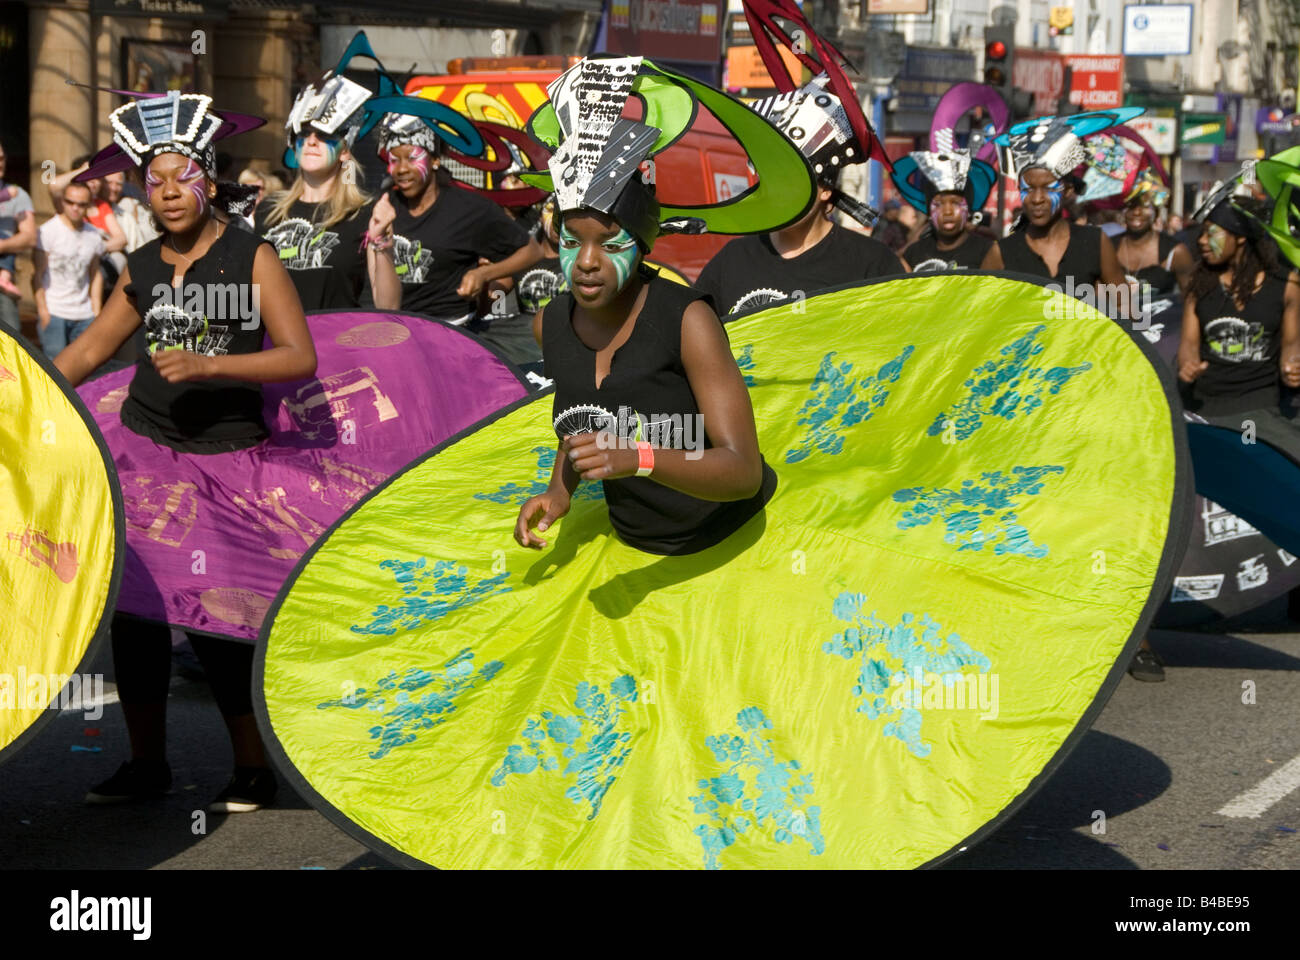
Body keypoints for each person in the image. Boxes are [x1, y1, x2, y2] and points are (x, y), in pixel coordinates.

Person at [53, 91, 315, 810]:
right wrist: (28, 394)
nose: (170, 194)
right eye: (155, 181)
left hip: (229, 462)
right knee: (135, 615)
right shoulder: (141, 264)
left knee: (220, 622)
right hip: (144, 450)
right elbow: (90, 349)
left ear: (208, 176)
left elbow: (298, 357)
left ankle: (253, 768)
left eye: (182, 177)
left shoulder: (250, 254)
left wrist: (210, 366)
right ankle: (147, 764)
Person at [514, 59, 784, 557]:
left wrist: (638, 457)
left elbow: (743, 471)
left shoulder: (687, 321)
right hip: (632, 549)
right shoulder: (548, 324)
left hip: (729, 546)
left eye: (611, 242)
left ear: (642, 244)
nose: (588, 262)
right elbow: (580, 416)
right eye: (573, 240)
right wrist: (559, 490)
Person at [696, 73, 904, 317]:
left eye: (793, 181)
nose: (780, 192)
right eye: (772, 179)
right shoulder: (732, 261)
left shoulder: (872, 264)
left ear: (826, 190)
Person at [367, 110, 540, 324]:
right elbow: (380, 299)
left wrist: (484, 275)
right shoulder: (383, 208)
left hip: (454, 333)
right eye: (394, 160)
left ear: (435, 160)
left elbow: (532, 251)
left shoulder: (469, 209)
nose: (402, 169)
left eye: (412, 158)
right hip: (398, 331)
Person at [255, 64, 394, 311]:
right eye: (304, 133)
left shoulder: (364, 215)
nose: (311, 141)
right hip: (275, 346)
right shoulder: (268, 210)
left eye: (324, 135)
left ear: (344, 151)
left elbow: (389, 304)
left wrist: (382, 241)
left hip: (335, 345)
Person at [980, 115, 1128, 293]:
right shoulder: (1002, 253)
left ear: (1067, 191)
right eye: (1028, 189)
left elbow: (1125, 309)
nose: (1037, 199)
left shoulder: (1095, 243)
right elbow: (982, 313)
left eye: (1049, 189)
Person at [32, 180, 104, 356]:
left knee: (85, 372)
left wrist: (96, 312)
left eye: (81, 204)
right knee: (55, 371)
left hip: (84, 314)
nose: (75, 208)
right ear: (62, 201)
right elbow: (37, 276)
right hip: (54, 312)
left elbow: (95, 275)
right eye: (70, 202)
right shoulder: (48, 231)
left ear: (89, 205)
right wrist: (43, 312)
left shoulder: (94, 235)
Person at [892, 150, 996, 271]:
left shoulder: (987, 252)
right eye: (939, 204)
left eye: (956, 203)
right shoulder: (914, 254)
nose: (947, 212)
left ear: (968, 209)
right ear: (929, 211)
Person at [0, 139, 36, 324]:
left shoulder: (18, 194)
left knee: (11, 338)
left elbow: (29, 237)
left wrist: (2, 246)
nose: (0, 163)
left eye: (2, 158)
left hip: (3, 287)